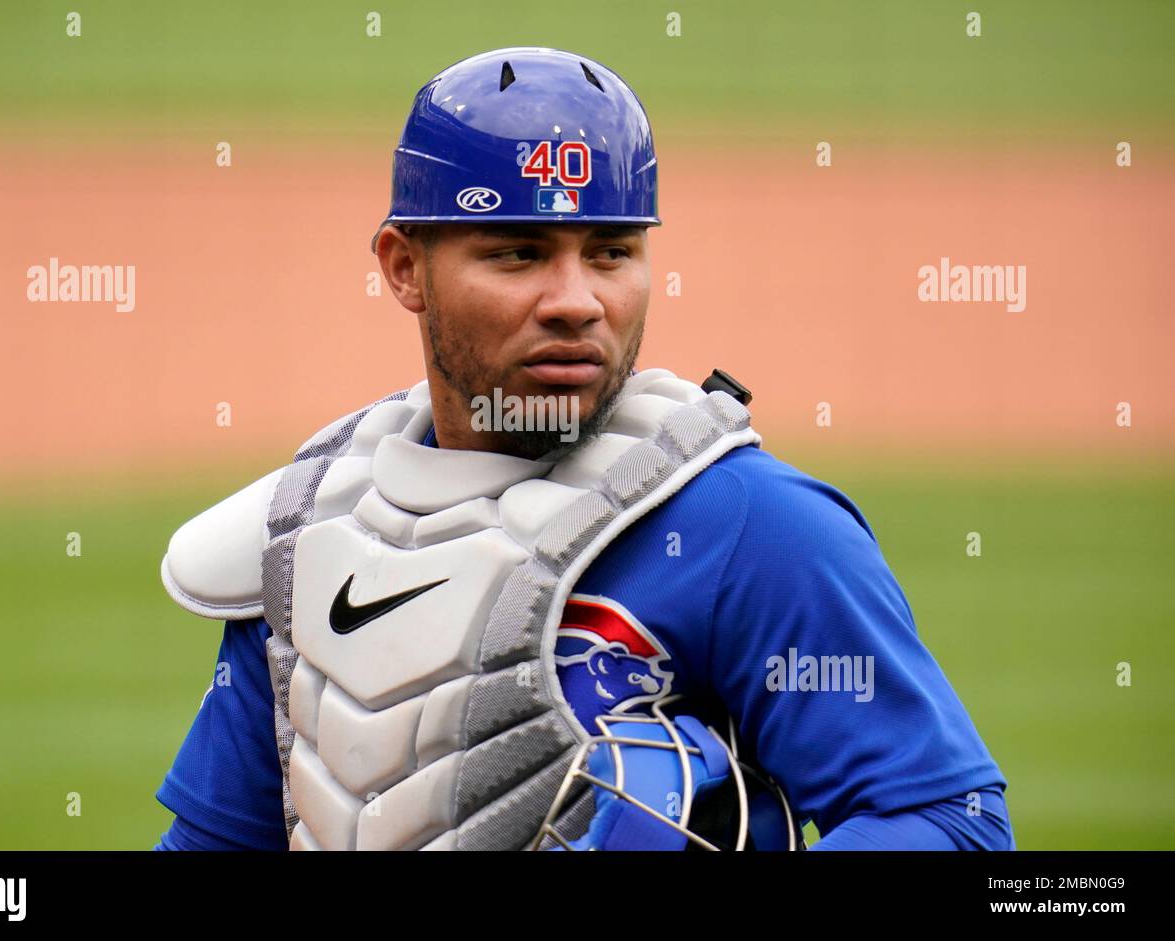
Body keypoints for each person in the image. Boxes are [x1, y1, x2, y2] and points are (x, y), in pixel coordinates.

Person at [154, 47, 1013, 851]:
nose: (576, 300)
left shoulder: (749, 524)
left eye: (610, 252)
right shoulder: (321, 528)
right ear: (403, 266)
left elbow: (951, 819)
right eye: (519, 253)